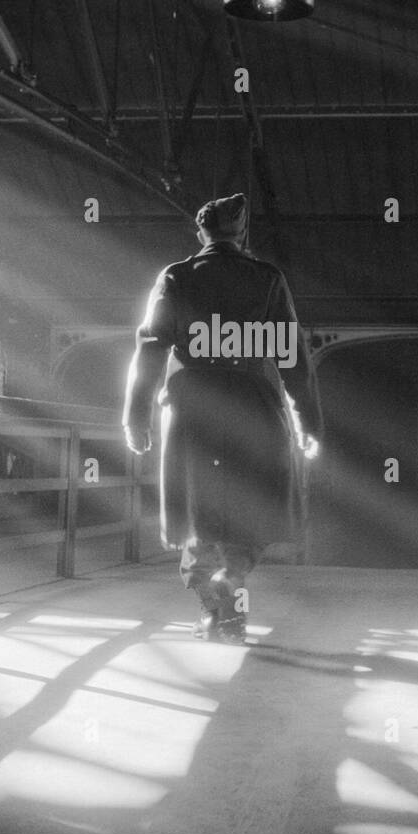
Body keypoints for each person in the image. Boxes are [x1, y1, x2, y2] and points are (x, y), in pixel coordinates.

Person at [122, 193, 322, 643]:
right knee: (251, 504)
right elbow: (291, 354)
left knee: (198, 509)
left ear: (201, 233)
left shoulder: (176, 276)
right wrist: (308, 418)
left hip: (193, 405)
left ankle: (214, 612)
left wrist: (136, 416)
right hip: (254, 402)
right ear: (241, 233)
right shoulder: (268, 278)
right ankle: (231, 586)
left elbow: (150, 347)